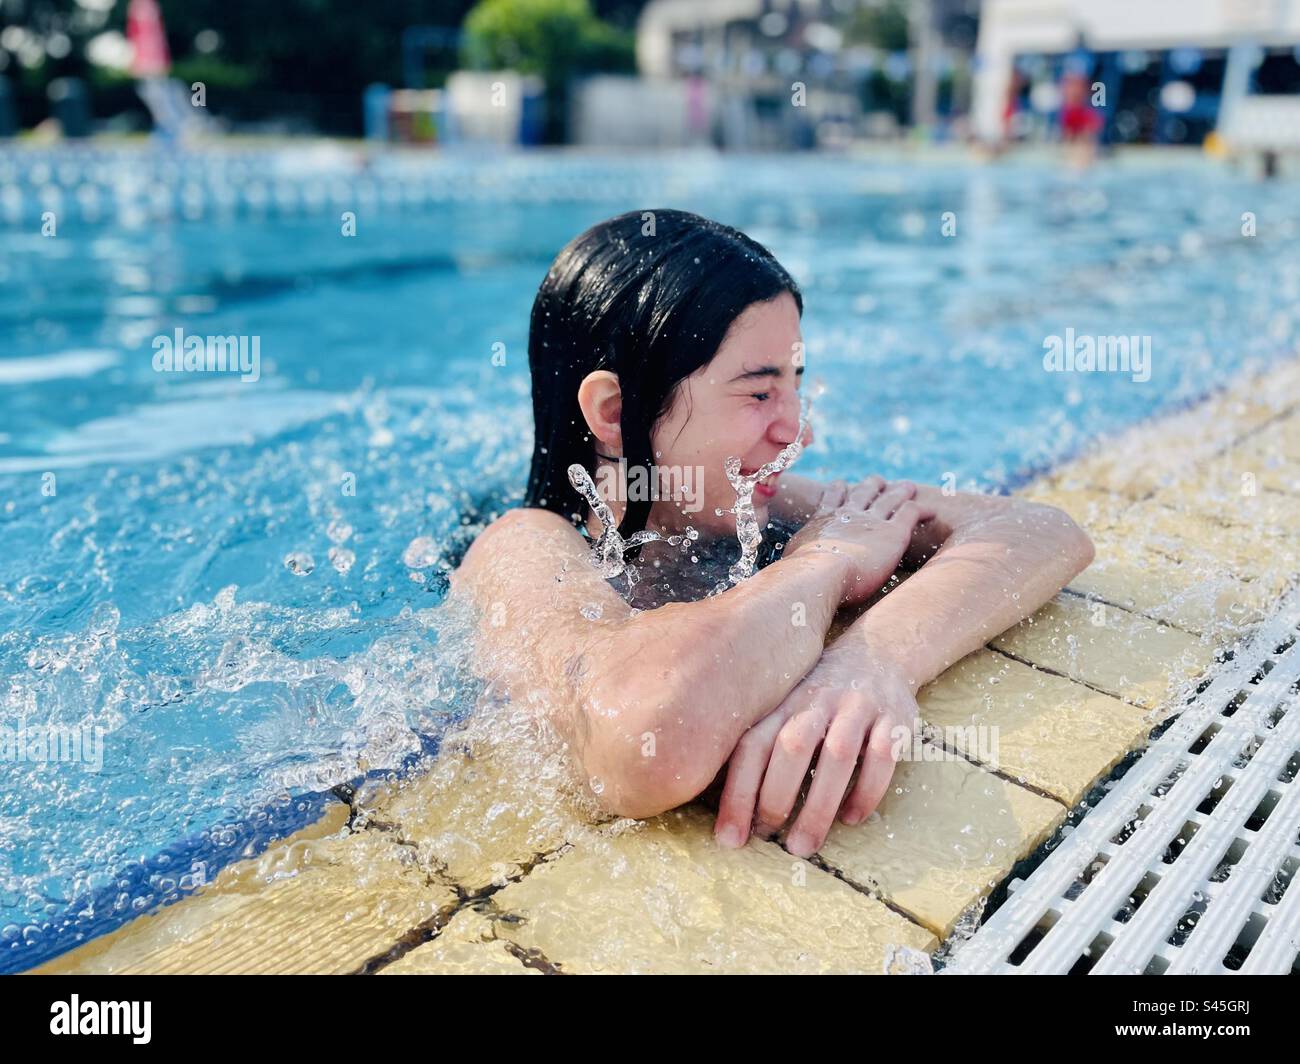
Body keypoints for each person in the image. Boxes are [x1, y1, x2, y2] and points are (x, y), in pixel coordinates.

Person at [449, 209, 1093, 859]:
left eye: (795, 387)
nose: (799, 433)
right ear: (617, 415)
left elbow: (1037, 530)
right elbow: (640, 738)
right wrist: (825, 561)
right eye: (759, 395)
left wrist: (875, 660)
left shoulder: (754, 498)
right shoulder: (520, 547)